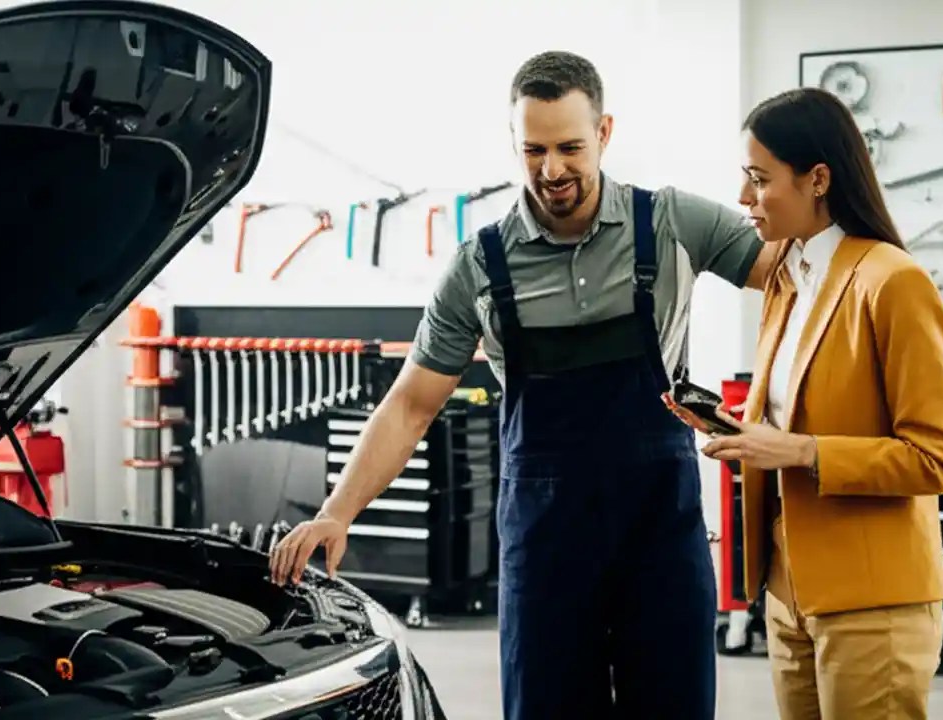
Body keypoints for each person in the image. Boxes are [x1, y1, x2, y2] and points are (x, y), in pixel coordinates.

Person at [268, 50, 772, 719]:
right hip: (547, 547)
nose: (553, 169)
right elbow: (412, 406)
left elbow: (793, 281)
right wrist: (337, 509)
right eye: (534, 150)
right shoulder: (479, 266)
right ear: (514, 144)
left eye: (570, 146)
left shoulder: (673, 222)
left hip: (660, 536)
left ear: (606, 133)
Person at [666, 87, 943, 720]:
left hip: (872, 601)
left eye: (758, 179)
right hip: (790, 592)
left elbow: (939, 459)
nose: (744, 198)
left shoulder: (894, 282)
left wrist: (800, 452)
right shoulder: (788, 278)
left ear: (818, 179)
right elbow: (796, 418)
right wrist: (736, 430)